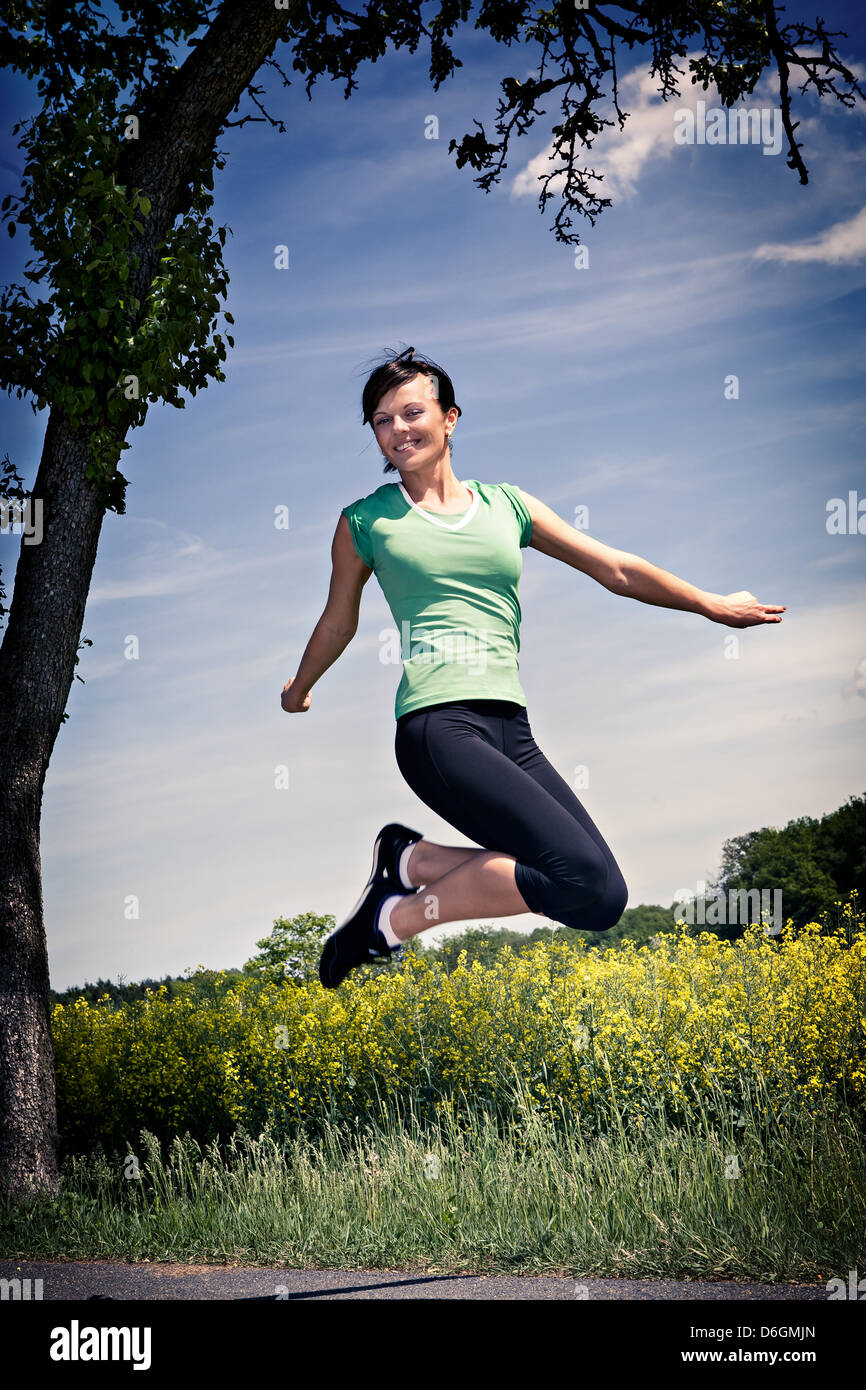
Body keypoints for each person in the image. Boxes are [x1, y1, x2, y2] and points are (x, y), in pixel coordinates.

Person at [281, 346, 785, 989]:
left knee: (599, 896)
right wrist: (300, 688)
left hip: (511, 730)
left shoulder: (507, 507)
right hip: (437, 728)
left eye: (412, 412)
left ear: (450, 418)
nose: (398, 429)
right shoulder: (365, 522)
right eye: (381, 420)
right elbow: (338, 620)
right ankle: (390, 922)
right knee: (575, 873)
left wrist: (709, 603)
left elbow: (616, 569)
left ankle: (409, 861)